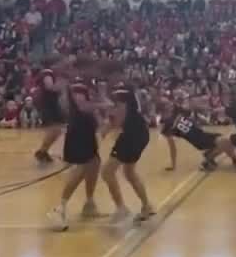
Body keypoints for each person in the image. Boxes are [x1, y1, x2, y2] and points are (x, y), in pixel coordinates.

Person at [46, 60, 115, 231]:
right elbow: (83, 106)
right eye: (93, 67)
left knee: (94, 164)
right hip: (78, 131)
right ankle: (59, 207)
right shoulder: (77, 84)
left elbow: (96, 105)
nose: (96, 71)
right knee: (82, 168)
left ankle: (89, 205)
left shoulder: (89, 84)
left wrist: (102, 94)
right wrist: (103, 105)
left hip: (87, 129)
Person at [101, 81, 155, 225]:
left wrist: (109, 125)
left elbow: (120, 118)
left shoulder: (121, 92)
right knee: (129, 172)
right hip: (141, 134)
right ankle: (147, 206)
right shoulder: (128, 89)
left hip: (131, 135)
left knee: (107, 172)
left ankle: (121, 208)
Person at [33, 56, 66, 164]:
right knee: (54, 129)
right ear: (54, 64)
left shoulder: (52, 73)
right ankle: (42, 151)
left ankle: (43, 151)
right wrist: (62, 83)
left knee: (58, 129)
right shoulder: (47, 72)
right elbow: (49, 87)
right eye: (59, 64)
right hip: (48, 105)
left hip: (52, 104)